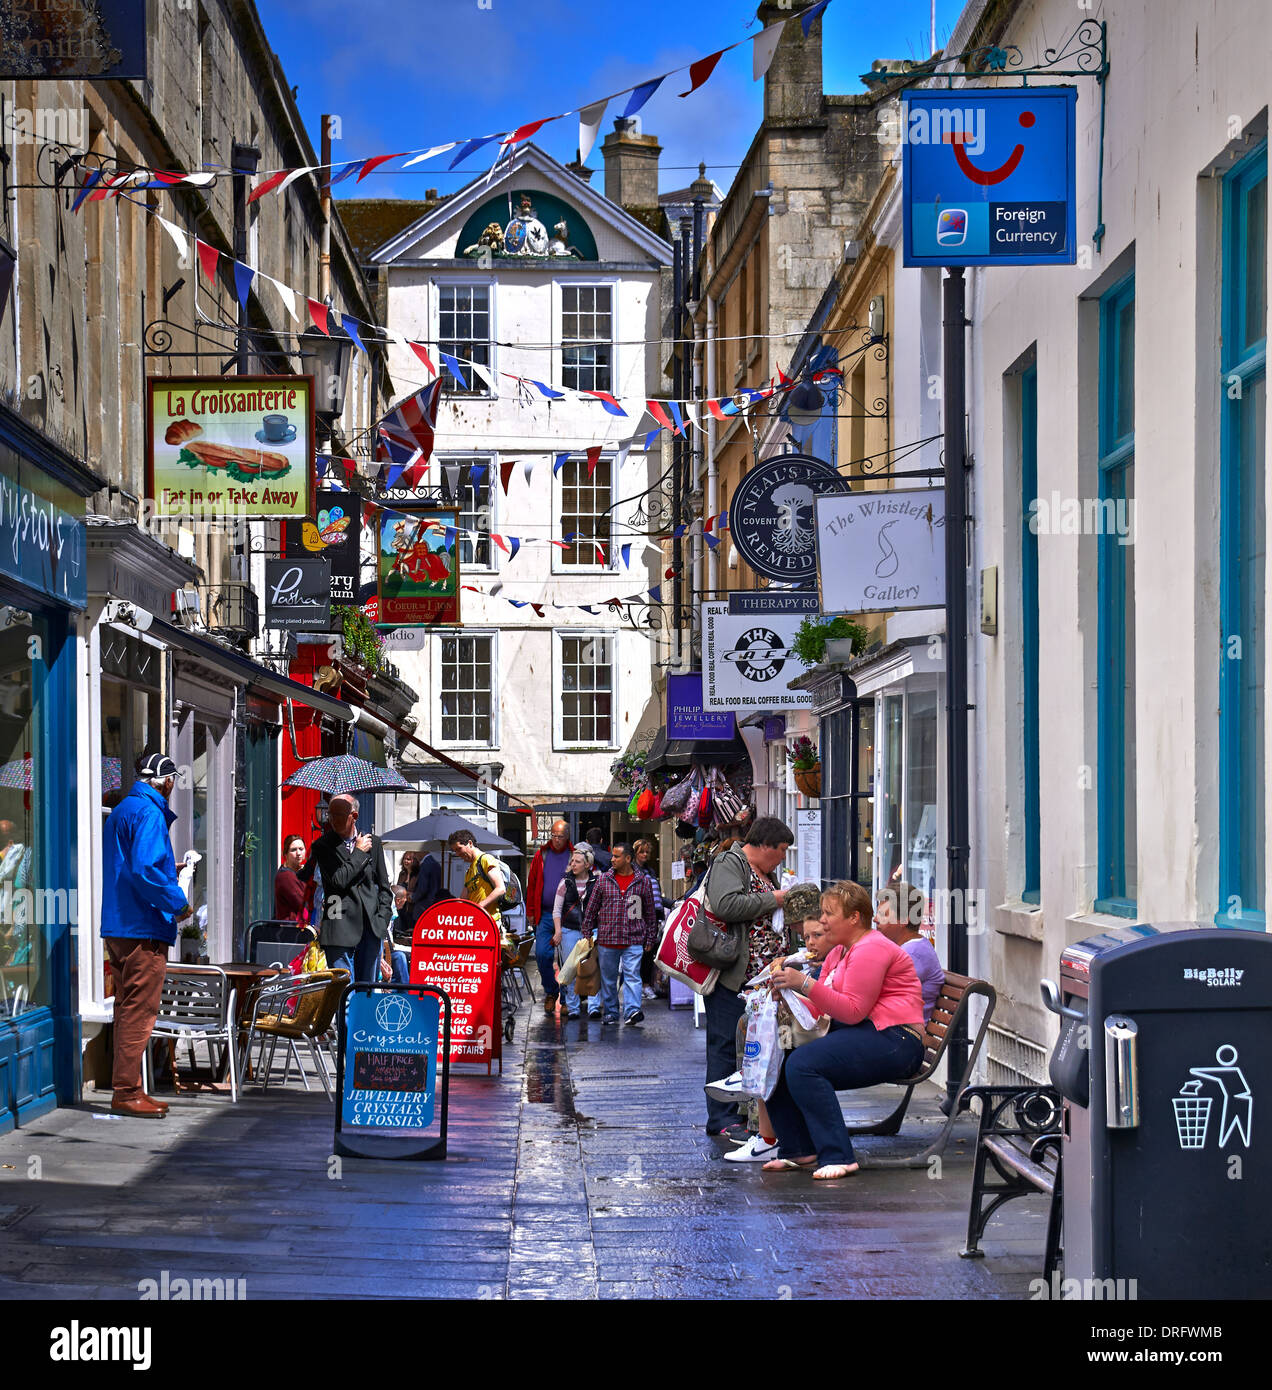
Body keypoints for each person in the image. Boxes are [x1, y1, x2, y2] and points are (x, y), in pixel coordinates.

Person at [762, 880, 925, 1179]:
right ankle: (798, 1149)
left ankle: (838, 1155)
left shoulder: (872, 948)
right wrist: (788, 995)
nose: (822, 920)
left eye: (829, 913)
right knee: (779, 1051)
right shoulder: (843, 951)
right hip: (872, 1033)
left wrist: (804, 984)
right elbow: (823, 1007)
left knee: (804, 1064)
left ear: (854, 917)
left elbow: (852, 1011)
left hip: (898, 1040)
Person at [99, 753, 193, 1118]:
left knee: (126, 1008)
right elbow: (145, 869)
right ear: (166, 782)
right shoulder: (151, 813)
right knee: (140, 1010)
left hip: (120, 924)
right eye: (174, 782)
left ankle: (130, 1088)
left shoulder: (124, 808)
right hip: (142, 927)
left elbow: (134, 864)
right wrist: (179, 903)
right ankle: (126, 1092)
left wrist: (169, 870)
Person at [700, 816, 793, 1148]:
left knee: (752, 1046)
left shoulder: (765, 872)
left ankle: (748, 1115)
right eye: (781, 850)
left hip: (759, 978)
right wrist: (777, 899)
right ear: (765, 845)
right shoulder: (730, 862)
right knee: (724, 1043)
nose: (783, 857)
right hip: (732, 974)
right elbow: (727, 905)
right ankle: (722, 1119)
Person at [307, 793, 393, 983]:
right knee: (343, 991)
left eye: (337, 815)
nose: (332, 820)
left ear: (353, 816)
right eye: (330, 814)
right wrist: (358, 853)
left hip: (371, 928)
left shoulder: (374, 843)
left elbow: (385, 888)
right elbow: (337, 881)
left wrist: (382, 919)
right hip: (338, 925)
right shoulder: (322, 845)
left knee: (366, 992)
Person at [580, 840, 657, 1026]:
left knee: (632, 976)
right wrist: (587, 932)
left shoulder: (642, 881)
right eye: (612, 855)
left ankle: (632, 1011)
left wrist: (650, 936)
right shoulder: (603, 880)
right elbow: (591, 908)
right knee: (608, 979)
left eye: (616, 856)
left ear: (628, 858)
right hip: (608, 938)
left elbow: (649, 911)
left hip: (634, 938)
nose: (612, 859)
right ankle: (612, 1012)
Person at [875, 881, 943, 1022]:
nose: (875, 919)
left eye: (883, 914)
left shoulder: (913, 954)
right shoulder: (906, 948)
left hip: (899, 1033)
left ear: (904, 920)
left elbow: (873, 992)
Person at [524, 820, 573, 1014]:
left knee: (567, 958)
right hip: (544, 914)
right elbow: (533, 882)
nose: (556, 839)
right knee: (543, 954)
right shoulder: (541, 854)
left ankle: (567, 996)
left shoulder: (573, 855)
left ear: (567, 836)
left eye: (560, 836)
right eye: (553, 835)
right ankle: (551, 992)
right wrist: (530, 910)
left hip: (567, 915)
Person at [552, 846, 601, 1020]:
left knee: (593, 968)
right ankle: (573, 1007)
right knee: (570, 969)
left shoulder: (597, 882)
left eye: (578, 861)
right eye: (572, 861)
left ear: (587, 864)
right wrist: (558, 931)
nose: (573, 864)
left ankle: (594, 1006)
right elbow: (557, 910)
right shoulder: (565, 883)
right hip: (569, 930)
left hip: (592, 930)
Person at [448, 829, 505, 928]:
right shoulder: (469, 871)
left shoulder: (486, 859)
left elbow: (500, 889)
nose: (457, 854)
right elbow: (463, 900)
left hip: (490, 921)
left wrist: (479, 907)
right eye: (455, 851)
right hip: (476, 922)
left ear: (470, 843)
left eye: (458, 849)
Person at [632, 837, 664, 1001]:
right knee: (641, 953)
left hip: (653, 916)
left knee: (648, 952)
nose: (645, 855)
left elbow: (656, 895)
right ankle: (642, 985)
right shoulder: (633, 871)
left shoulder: (650, 871)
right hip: (640, 917)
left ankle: (645, 984)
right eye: (641, 852)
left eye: (647, 852)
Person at [274, 834, 310, 922]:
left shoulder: (300, 872)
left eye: (301, 849)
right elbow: (304, 904)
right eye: (293, 850)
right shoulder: (285, 876)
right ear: (285, 854)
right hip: (292, 930)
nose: (298, 853)